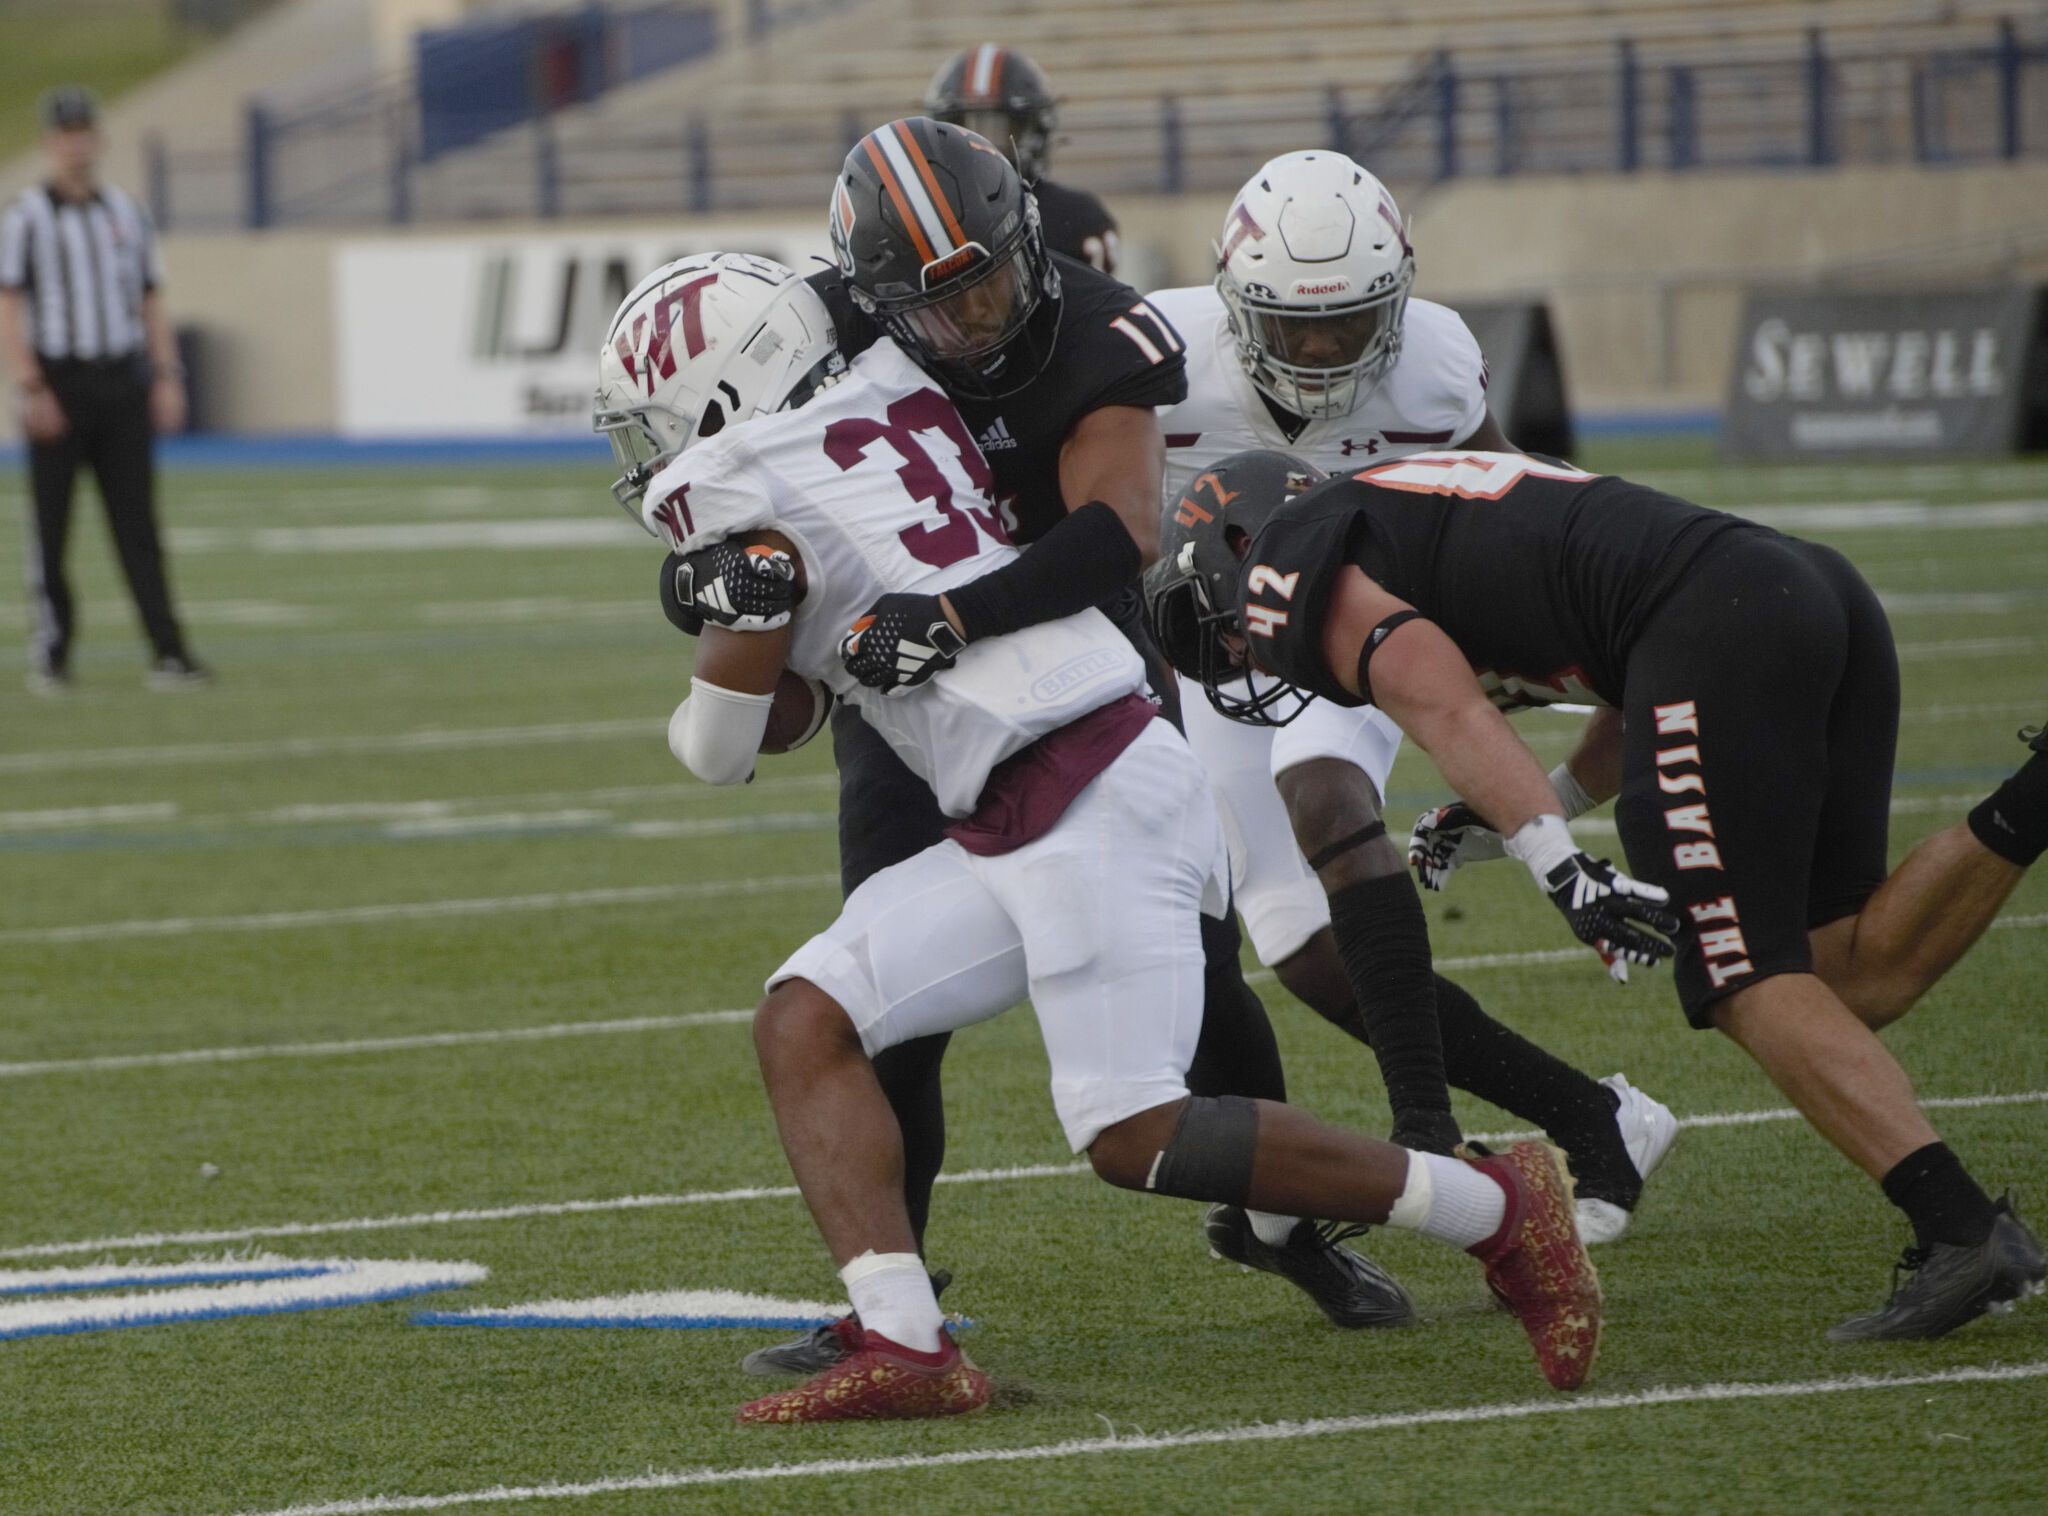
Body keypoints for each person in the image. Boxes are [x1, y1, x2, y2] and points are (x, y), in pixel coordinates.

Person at [595, 252, 1605, 1421]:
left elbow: (716, 753)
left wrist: (735, 609)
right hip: (1041, 778)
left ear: (714, 394)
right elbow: (809, 690)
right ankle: (908, 1342)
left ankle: (1496, 1206)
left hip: (1084, 789)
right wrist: (749, 623)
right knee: (805, 1017)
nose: (648, 453)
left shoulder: (726, 473)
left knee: (1130, 1131)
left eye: (650, 421)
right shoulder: (880, 383)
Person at [666, 118, 1411, 1366]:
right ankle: (888, 1301)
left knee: (1204, 965)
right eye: (933, 303)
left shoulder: (1094, 324)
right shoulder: (818, 326)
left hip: (1080, 686)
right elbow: (724, 489)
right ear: (866, 298)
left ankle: (1286, 1226)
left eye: (992, 279)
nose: (973, 320)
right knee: (879, 1009)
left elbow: (1114, 528)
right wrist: (706, 592)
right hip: (904, 706)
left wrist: (951, 614)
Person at [1172, 443, 2048, 1341]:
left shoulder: (1291, 554)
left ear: (1242, 547)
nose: (1242, 652)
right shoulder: (1413, 527)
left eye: (1226, 627)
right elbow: (1631, 685)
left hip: (1720, 616)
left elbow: (1448, 708)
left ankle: (1963, 1231)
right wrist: (1539, 808)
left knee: (1738, 973)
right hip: (1790, 589)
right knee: (1844, 972)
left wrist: (1557, 862)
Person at [1146, 153, 1677, 1267]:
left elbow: (1495, 501)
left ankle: (1422, 1137)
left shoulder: (1432, 364)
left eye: (1349, 326)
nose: (1324, 355)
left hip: (1361, 624)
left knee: (1323, 785)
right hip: (1214, 652)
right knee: (1296, 947)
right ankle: (1594, 1115)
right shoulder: (1157, 358)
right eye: (1295, 331)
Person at [0, 85, 208, 695]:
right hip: (59, 379)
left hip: (120, 379)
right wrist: (29, 383)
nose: (75, 143)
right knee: (52, 526)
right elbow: (7, 304)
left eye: (84, 131)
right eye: (64, 133)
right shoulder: (25, 216)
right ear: (47, 142)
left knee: (137, 522)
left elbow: (150, 297)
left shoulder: (125, 211)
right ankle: (54, 651)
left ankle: (168, 651)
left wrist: (167, 375)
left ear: (98, 138)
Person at [923, 44, 1119, 274]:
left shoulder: (1074, 217)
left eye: (1000, 130)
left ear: (1035, 130)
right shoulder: (919, 214)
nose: (981, 146)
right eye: (964, 128)